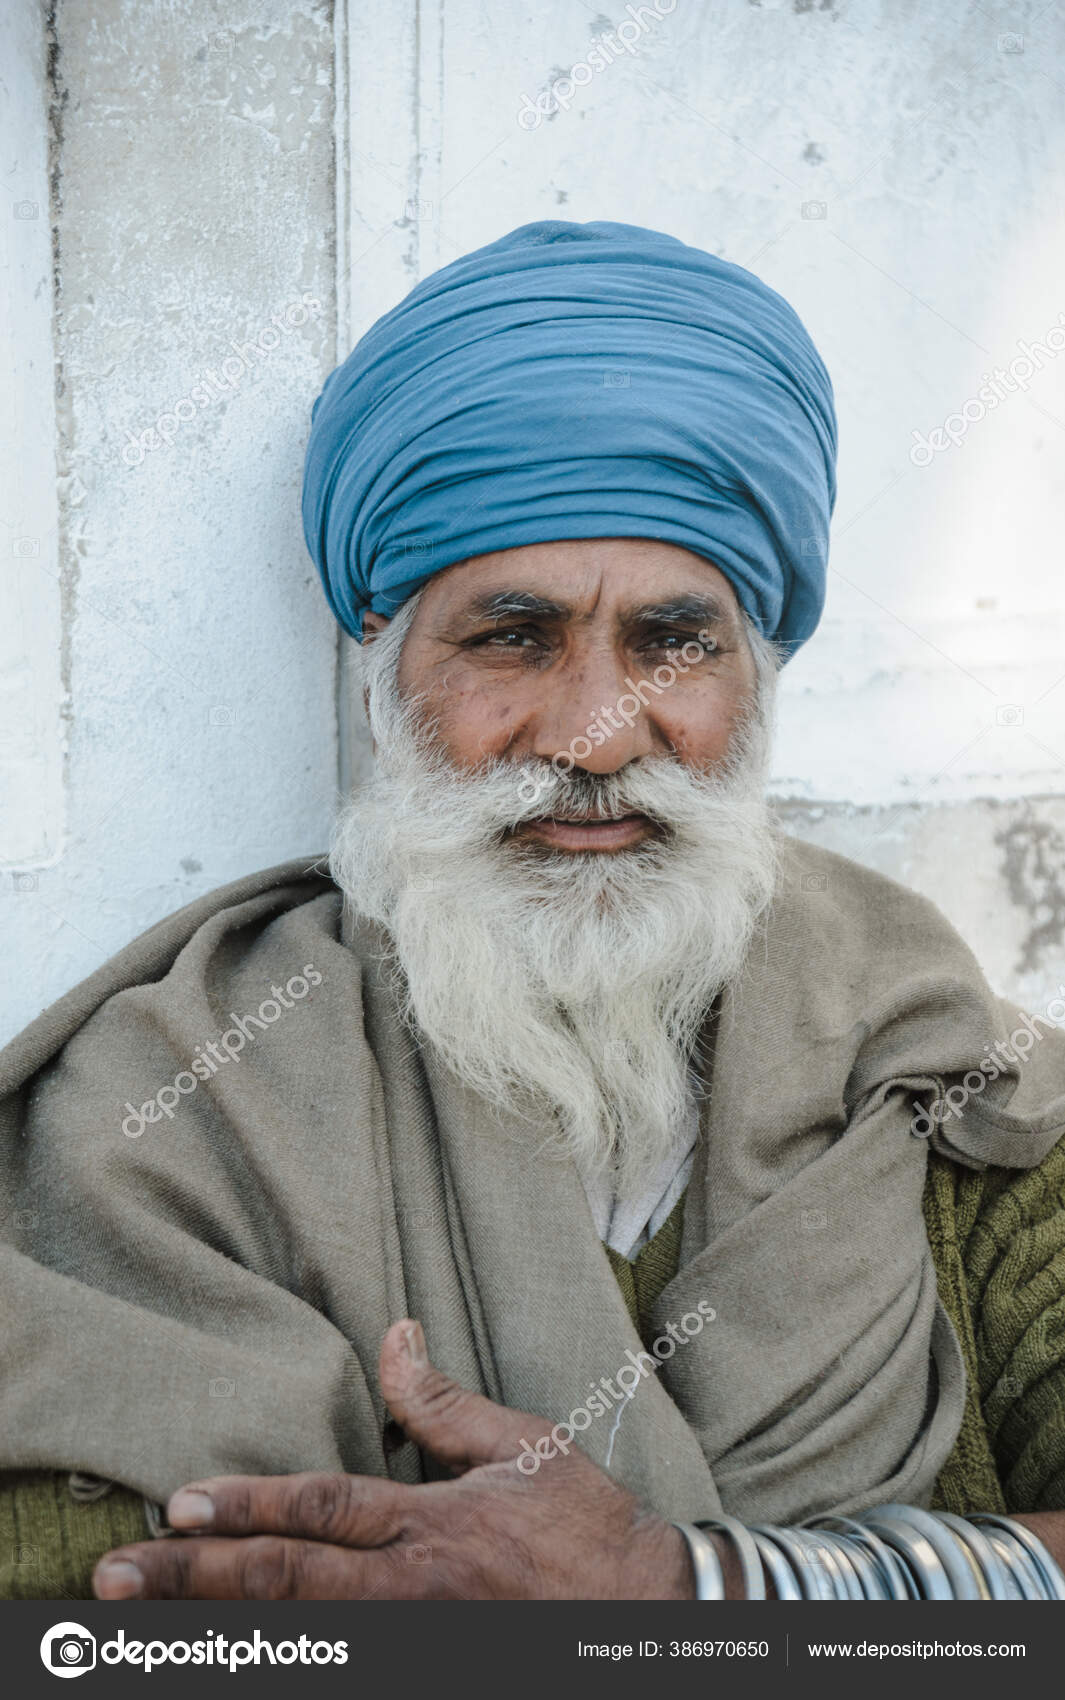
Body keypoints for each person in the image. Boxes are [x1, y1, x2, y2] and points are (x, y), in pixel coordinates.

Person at [2, 222, 1064, 1602]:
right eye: (511, 636)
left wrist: (687, 1595)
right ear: (380, 679)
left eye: (673, 642)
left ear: (759, 677)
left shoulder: (956, 1091)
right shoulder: (172, 1124)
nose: (596, 733)